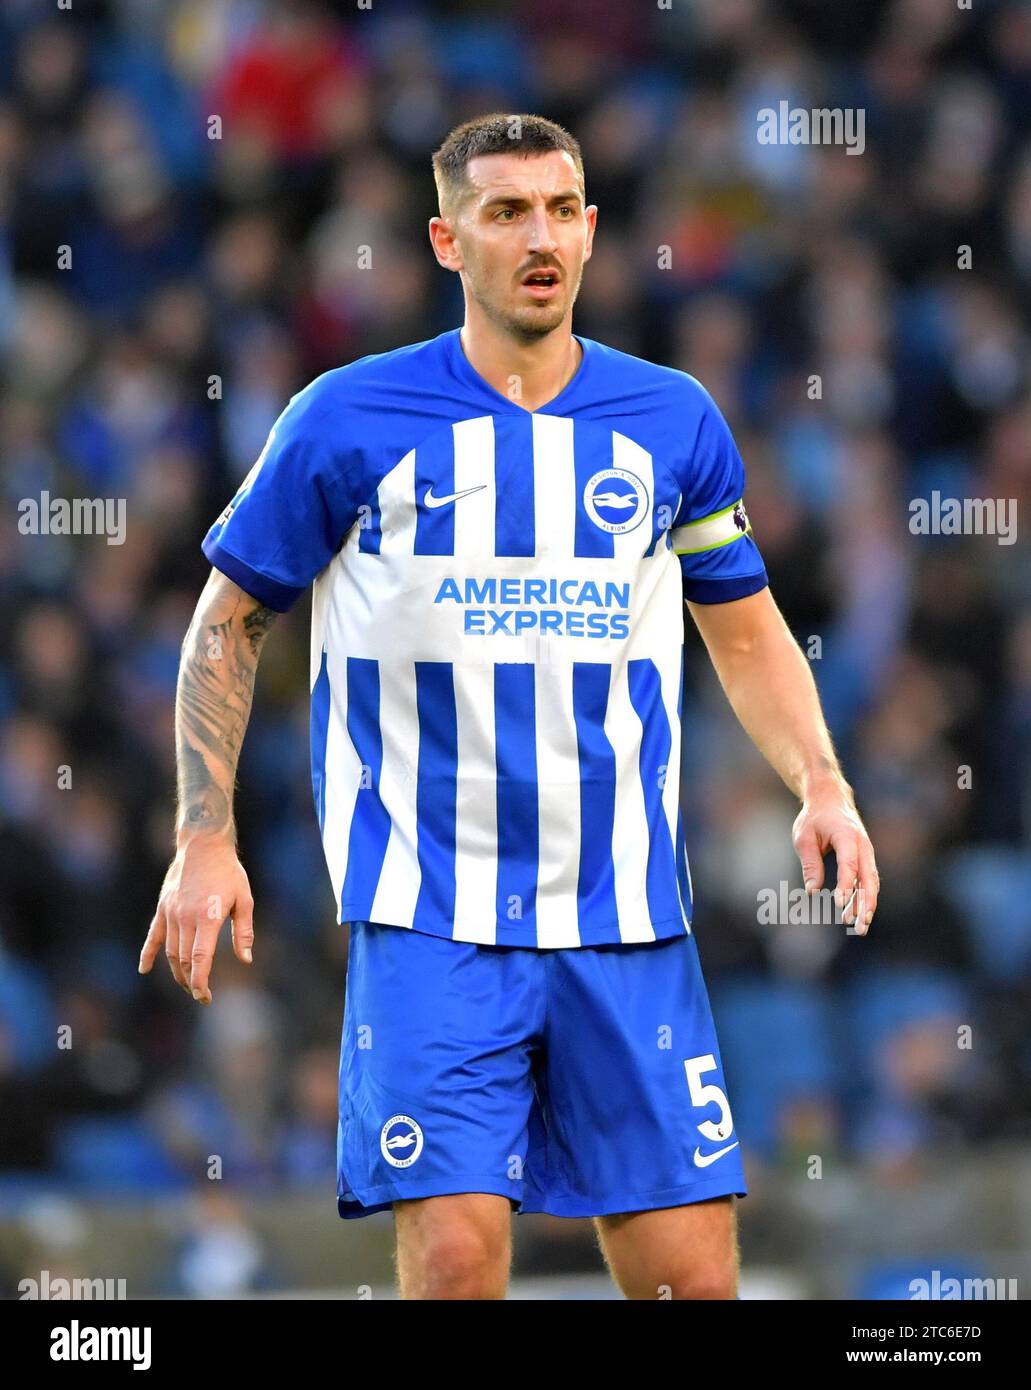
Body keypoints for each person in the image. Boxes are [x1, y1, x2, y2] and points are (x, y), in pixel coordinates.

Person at [139, 113, 879, 1300]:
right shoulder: (346, 418)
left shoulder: (671, 420)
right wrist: (204, 832)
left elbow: (741, 630)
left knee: (690, 1279)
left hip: (623, 914)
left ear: (589, 231)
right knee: (454, 1259)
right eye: (504, 212)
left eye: (558, 209)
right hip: (432, 912)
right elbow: (226, 621)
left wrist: (822, 782)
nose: (538, 235)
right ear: (446, 239)